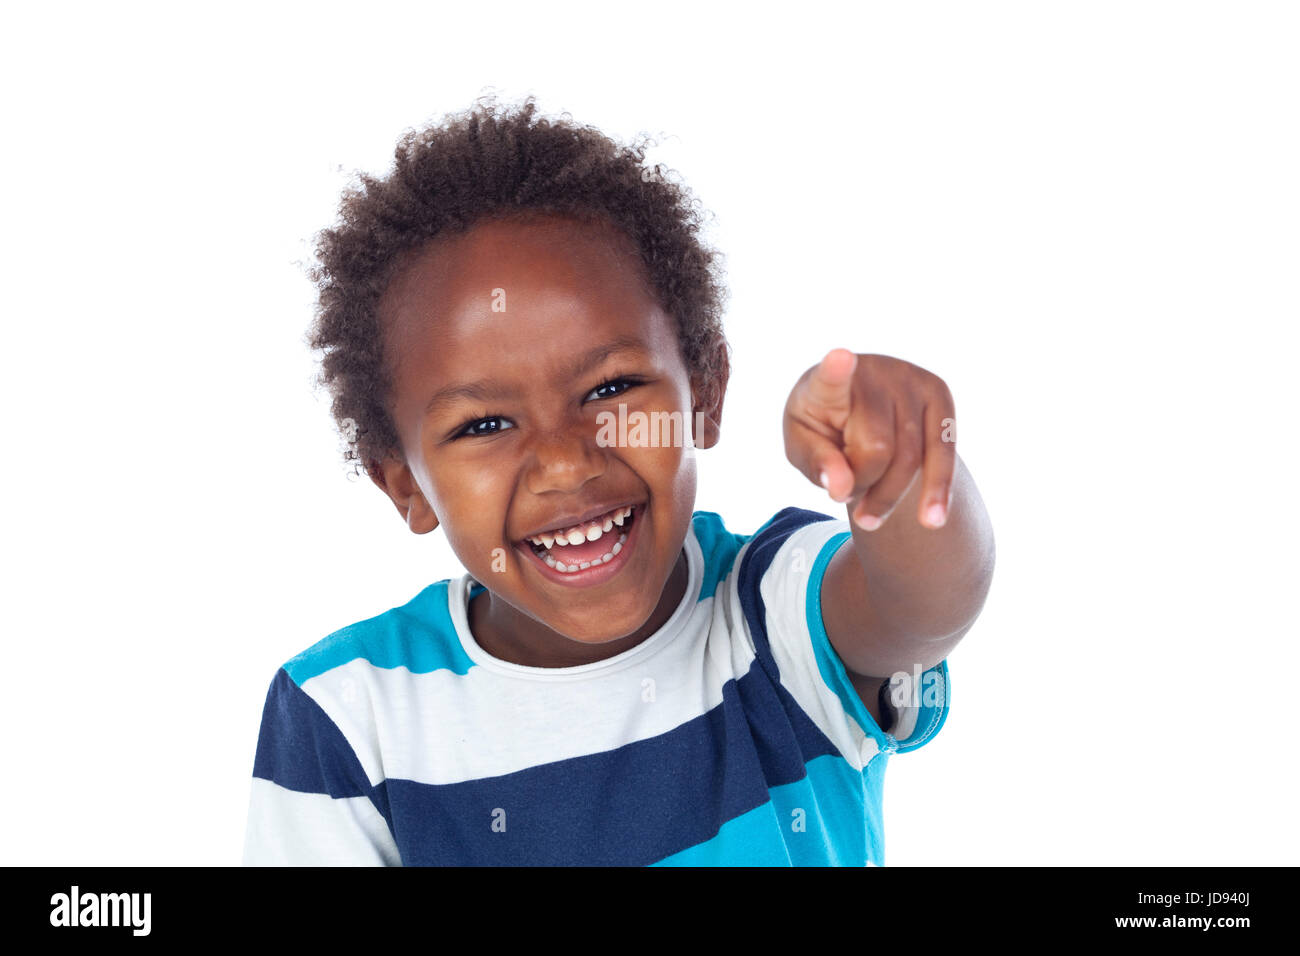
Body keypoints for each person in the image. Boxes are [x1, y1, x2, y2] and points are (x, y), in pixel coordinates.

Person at [242, 94, 996, 866]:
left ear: (703, 391)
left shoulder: (774, 618)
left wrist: (903, 481)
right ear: (402, 483)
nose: (567, 463)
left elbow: (925, 607)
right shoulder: (348, 716)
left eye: (610, 389)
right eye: (483, 426)